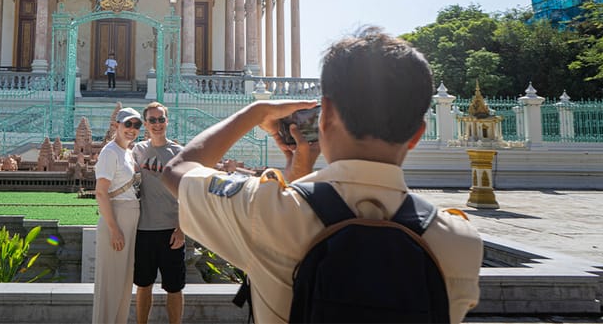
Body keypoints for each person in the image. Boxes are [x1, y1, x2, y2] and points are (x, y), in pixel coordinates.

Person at [162, 28, 483, 324]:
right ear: (417, 135)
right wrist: (299, 176)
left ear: (325, 116)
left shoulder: (268, 212)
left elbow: (176, 170)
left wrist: (255, 112)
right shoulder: (459, 242)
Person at [132, 102, 185, 324]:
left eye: (161, 119)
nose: (157, 124)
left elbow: (187, 195)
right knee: (144, 284)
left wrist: (181, 230)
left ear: (167, 121)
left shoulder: (179, 153)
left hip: (171, 232)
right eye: (152, 120)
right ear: (145, 124)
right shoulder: (137, 151)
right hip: (144, 229)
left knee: (174, 287)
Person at [93, 107, 142, 324]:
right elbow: (101, 193)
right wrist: (114, 230)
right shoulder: (109, 152)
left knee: (124, 282)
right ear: (116, 126)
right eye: (127, 124)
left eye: (137, 125)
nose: (132, 130)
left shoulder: (129, 152)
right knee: (110, 282)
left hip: (130, 217)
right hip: (117, 218)